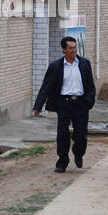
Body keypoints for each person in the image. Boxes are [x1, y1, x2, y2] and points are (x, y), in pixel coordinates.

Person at [33, 35, 96, 172]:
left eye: (75, 48)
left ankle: (78, 154)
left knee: (80, 135)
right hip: (64, 104)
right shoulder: (56, 66)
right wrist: (38, 106)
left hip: (81, 104)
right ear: (64, 50)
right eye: (71, 48)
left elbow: (90, 85)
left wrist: (89, 101)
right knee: (62, 134)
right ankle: (62, 161)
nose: (74, 51)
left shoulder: (85, 64)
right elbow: (46, 86)